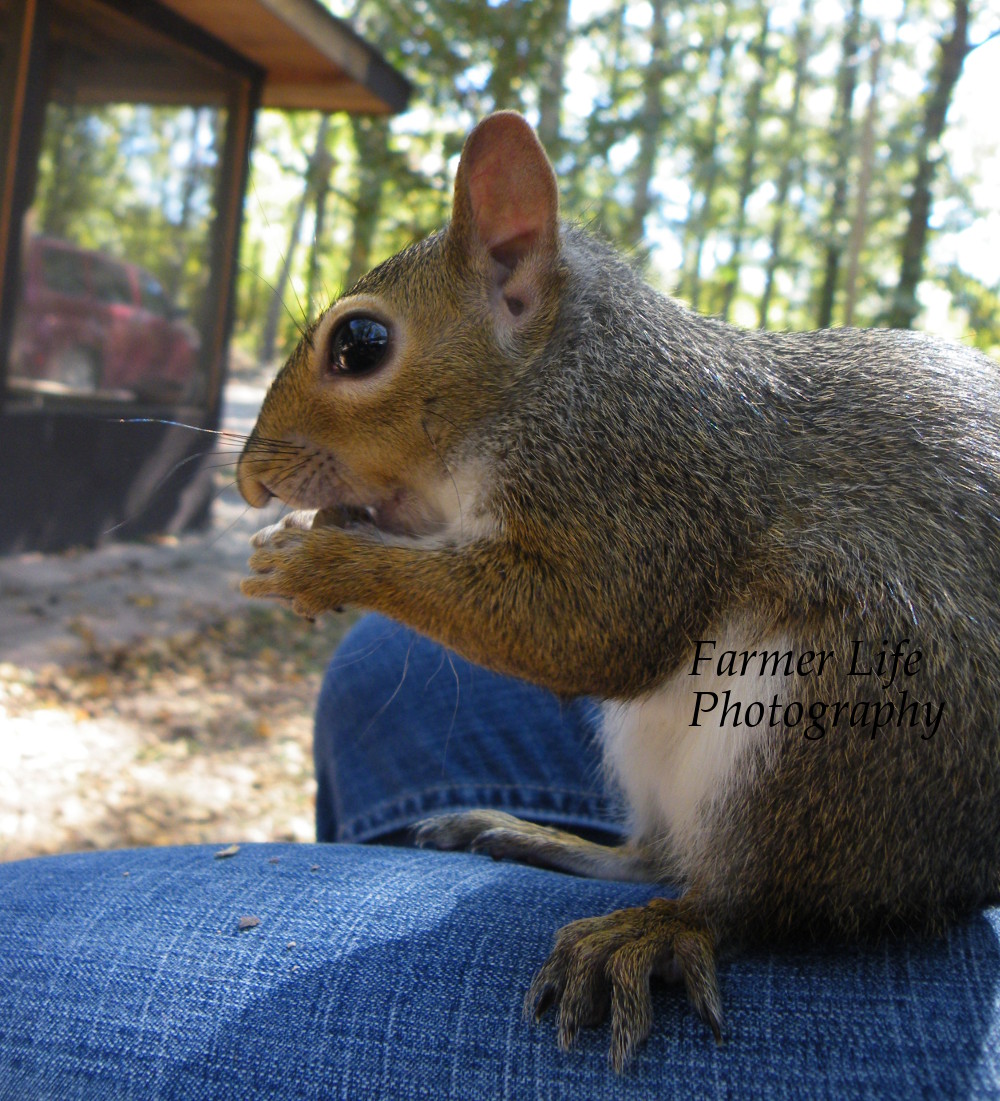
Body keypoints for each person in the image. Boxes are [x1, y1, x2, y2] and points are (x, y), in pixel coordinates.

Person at [2, 614, 999, 1099]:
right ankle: (644, 854)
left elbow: (609, 605)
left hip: (882, 841)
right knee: (388, 658)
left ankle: (705, 900)